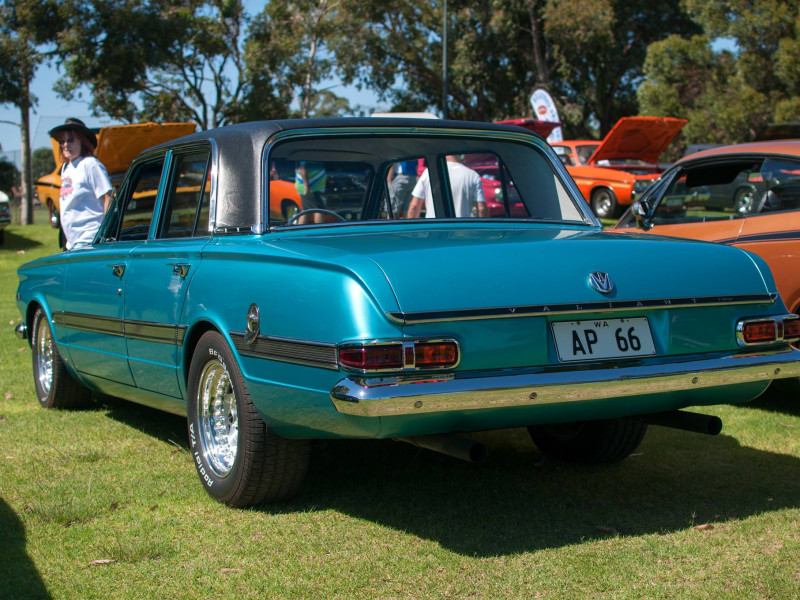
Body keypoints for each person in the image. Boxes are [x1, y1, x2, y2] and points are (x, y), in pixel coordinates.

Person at [48, 118, 112, 250]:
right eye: (62, 141)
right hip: (72, 243)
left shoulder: (91, 164)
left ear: (82, 141)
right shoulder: (66, 168)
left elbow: (108, 197)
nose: (65, 145)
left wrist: (107, 232)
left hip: (89, 239)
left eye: (70, 140)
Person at [406, 154, 487, 218]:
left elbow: (414, 207)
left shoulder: (428, 173)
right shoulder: (472, 175)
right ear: (461, 154)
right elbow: (481, 209)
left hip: (434, 233)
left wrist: (411, 234)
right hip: (462, 232)